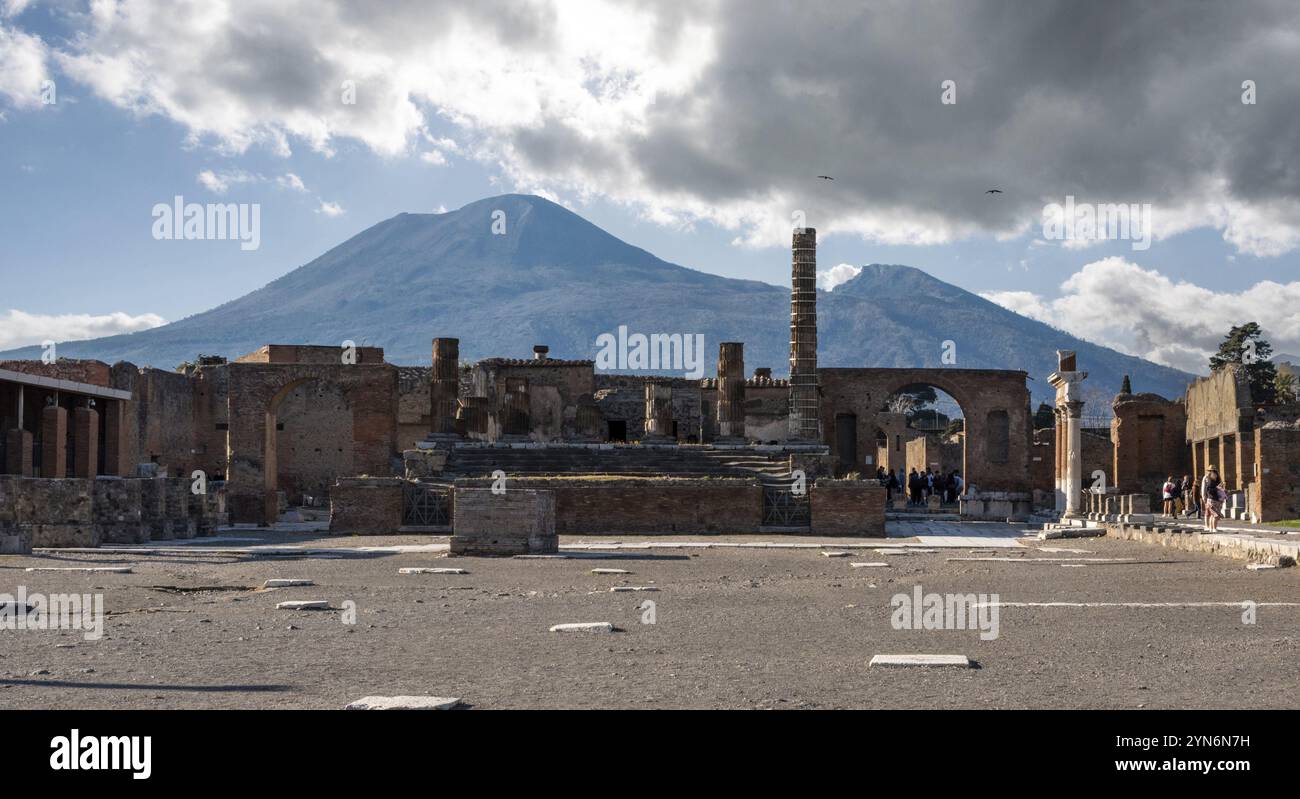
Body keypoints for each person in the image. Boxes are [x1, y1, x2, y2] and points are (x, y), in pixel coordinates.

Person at [1201, 466, 1224, 531]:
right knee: (1214, 515)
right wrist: (1203, 497)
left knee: (1212, 515)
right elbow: (1206, 489)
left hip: (1214, 498)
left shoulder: (1216, 480)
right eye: (1214, 473)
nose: (1216, 475)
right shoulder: (1208, 479)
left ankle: (1211, 528)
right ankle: (1212, 527)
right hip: (1211, 499)